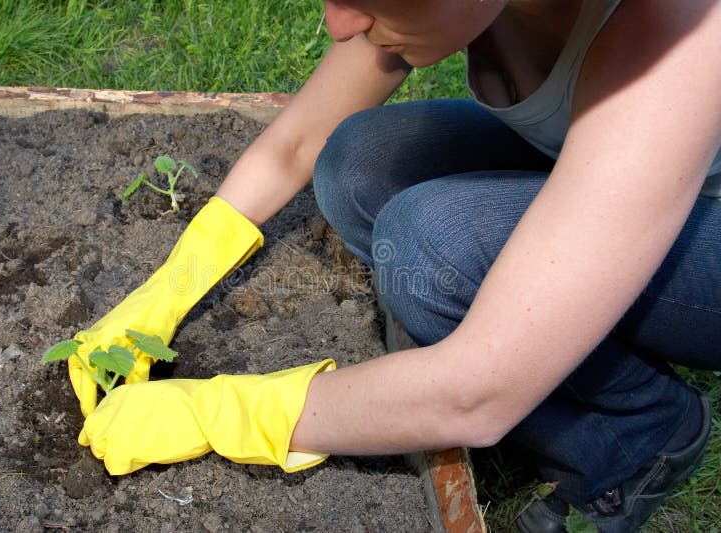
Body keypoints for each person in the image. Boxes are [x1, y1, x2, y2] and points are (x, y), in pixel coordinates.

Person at [73, 1, 721, 530]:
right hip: (622, 177)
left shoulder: (675, 34)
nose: (338, 24)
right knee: (357, 161)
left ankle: (636, 435)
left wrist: (223, 412)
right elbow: (296, 142)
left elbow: (477, 391)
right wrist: (167, 289)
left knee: (430, 246)